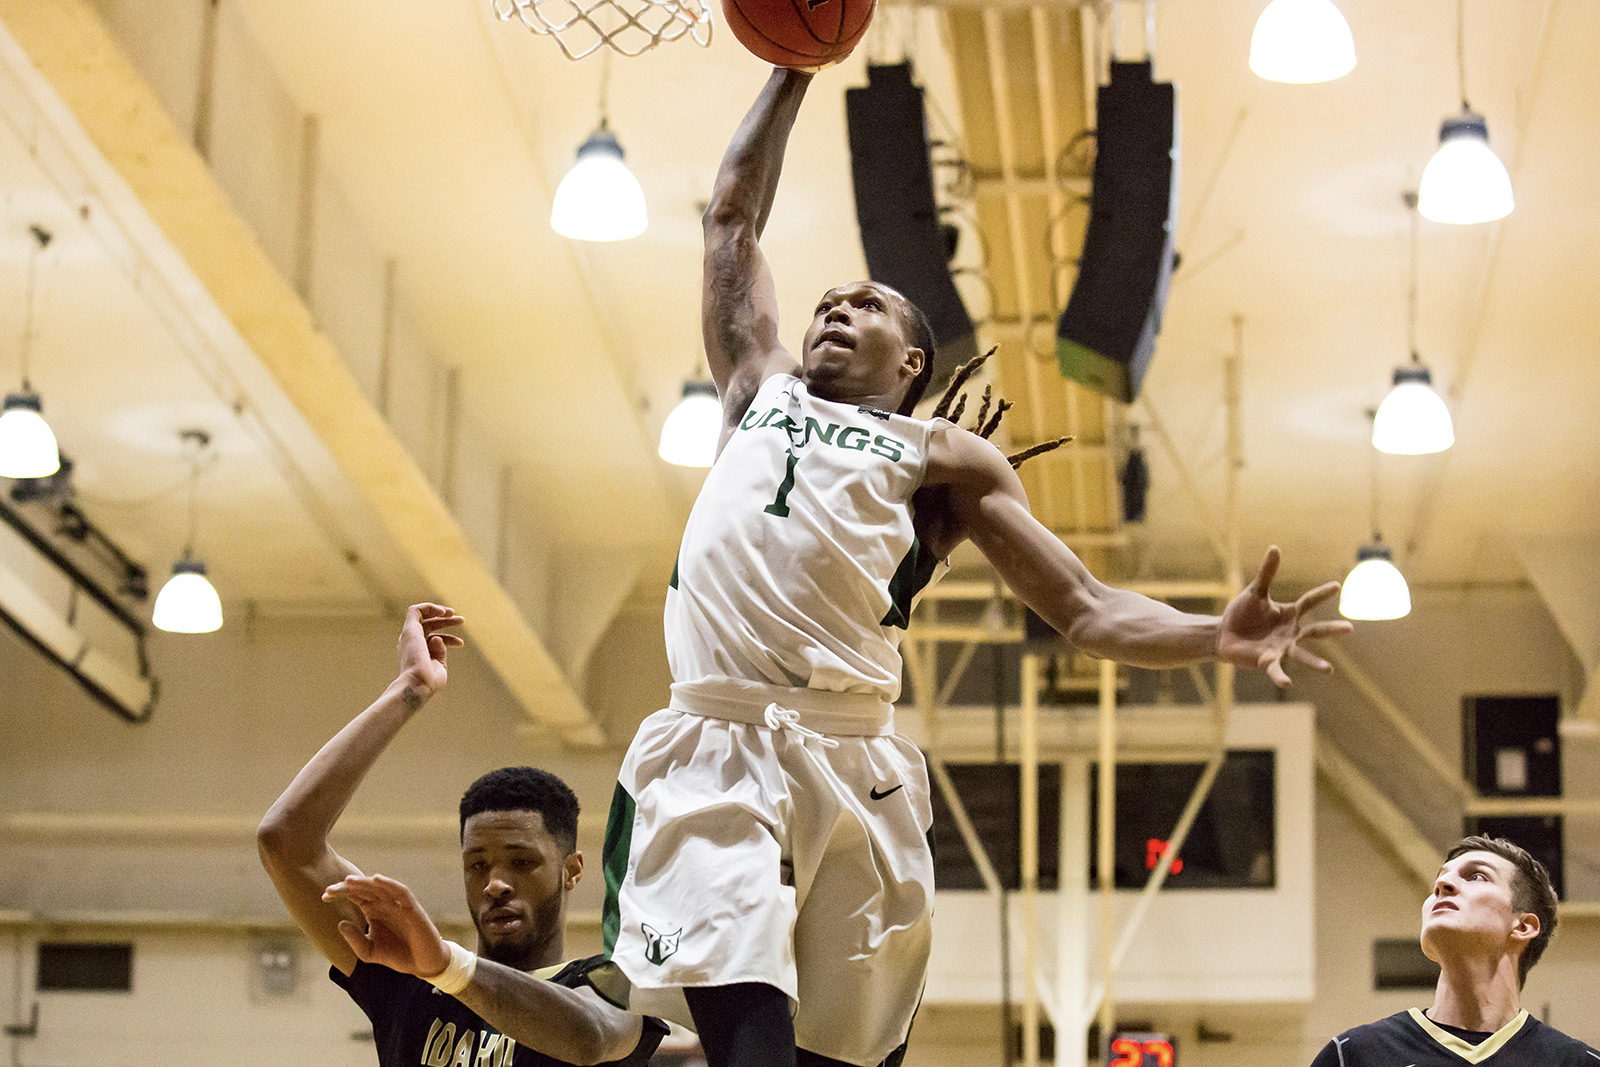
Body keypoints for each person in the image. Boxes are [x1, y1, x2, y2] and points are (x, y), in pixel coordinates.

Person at [595, 64, 1354, 1067]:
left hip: (852, 745)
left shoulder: (944, 457)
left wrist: (1209, 632)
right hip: (717, 731)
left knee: (846, 1052)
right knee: (748, 1032)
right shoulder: (756, 388)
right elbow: (731, 220)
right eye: (825, 300)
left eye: (862, 305)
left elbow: (1081, 605)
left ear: (911, 361)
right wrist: (793, 67)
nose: (831, 308)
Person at [257, 603, 667, 1067]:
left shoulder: (607, 984)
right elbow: (286, 840)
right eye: (477, 865)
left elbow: (590, 1037)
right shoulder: (408, 971)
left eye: (522, 861)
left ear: (571, 870)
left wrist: (446, 968)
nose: (495, 883)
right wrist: (408, 689)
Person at [1310, 835, 1596, 1066]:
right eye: (1441, 878)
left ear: (1522, 926)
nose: (1441, 885)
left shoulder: (1578, 1062)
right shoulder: (1351, 1057)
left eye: (1477, 877)